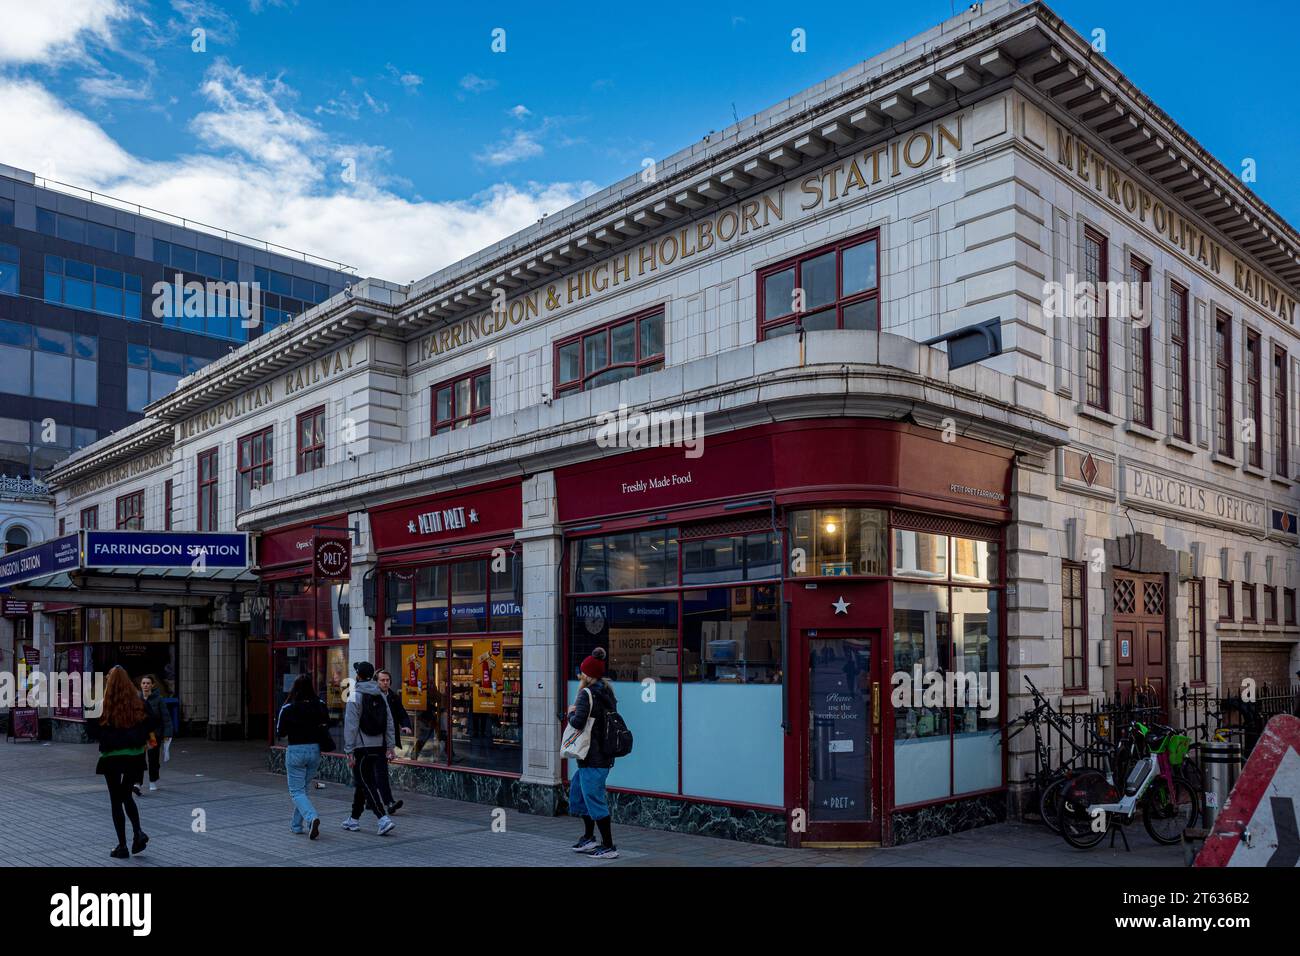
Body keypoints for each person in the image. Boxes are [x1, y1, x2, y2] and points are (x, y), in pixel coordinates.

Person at [567, 647, 619, 860]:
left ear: (586, 675)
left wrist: (570, 714)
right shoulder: (606, 692)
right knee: (579, 794)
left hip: (592, 757)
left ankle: (608, 846)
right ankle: (589, 837)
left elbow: (578, 723)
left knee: (594, 799)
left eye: (581, 673)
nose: (580, 676)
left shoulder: (585, 694)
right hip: (600, 756)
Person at [96, 666, 151, 859]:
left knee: (115, 799)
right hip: (134, 756)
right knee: (126, 795)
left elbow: (94, 730)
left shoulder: (104, 704)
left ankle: (122, 846)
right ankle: (138, 833)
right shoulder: (139, 703)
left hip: (111, 757)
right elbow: (149, 724)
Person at [341, 660, 396, 835]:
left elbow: (350, 726)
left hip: (361, 748)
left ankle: (382, 818)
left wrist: (349, 750)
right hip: (378, 747)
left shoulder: (354, 695)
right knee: (362, 783)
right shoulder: (381, 694)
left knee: (367, 783)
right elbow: (389, 722)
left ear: (358, 675)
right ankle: (354, 819)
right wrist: (390, 746)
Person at [276, 674, 329, 839]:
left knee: (296, 791)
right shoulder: (320, 704)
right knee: (303, 790)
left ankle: (312, 817)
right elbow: (328, 722)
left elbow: (280, 732)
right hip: (314, 750)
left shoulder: (288, 707)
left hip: (296, 750)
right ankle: (296, 826)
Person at [375, 669, 411, 815]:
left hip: (386, 740)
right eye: (382, 680)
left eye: (387, 680)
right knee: (379, 772)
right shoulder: (373, 697)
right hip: (374, 739)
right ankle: (388, 801)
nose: (385, 683)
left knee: (377, 772)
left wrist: (406, 725)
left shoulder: (393, 697)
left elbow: (401, 713)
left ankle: (372, 801)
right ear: (376, 682)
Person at [139, 674, 169, 793]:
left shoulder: (158, 699)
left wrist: (167, 733)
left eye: (148, 683)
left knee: (153, 758)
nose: (145, 685)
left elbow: (165, 717)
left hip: (153, 734)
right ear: (140, 685)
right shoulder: (137, 698)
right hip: (140, 734)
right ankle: (138, 783)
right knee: (139, 758)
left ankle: (153, 780)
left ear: (152, 685)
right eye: (143, 683)